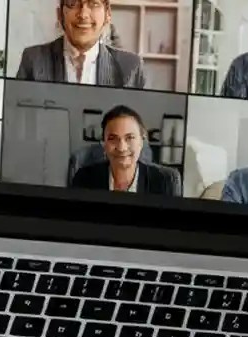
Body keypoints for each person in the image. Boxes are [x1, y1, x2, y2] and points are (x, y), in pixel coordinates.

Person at [15, 0, 145, 87]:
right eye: (73, 3)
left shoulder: (131, 67)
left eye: (93, 3)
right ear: (59, 14)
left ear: (108, 14)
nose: (83, 14)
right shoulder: (33, 60)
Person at [70, 106, 180, 196]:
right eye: (113, 138)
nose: (122, 148)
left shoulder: (165, 182)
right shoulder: (84, 179)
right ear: (104, 144)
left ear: (141, 142)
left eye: (130, 138)